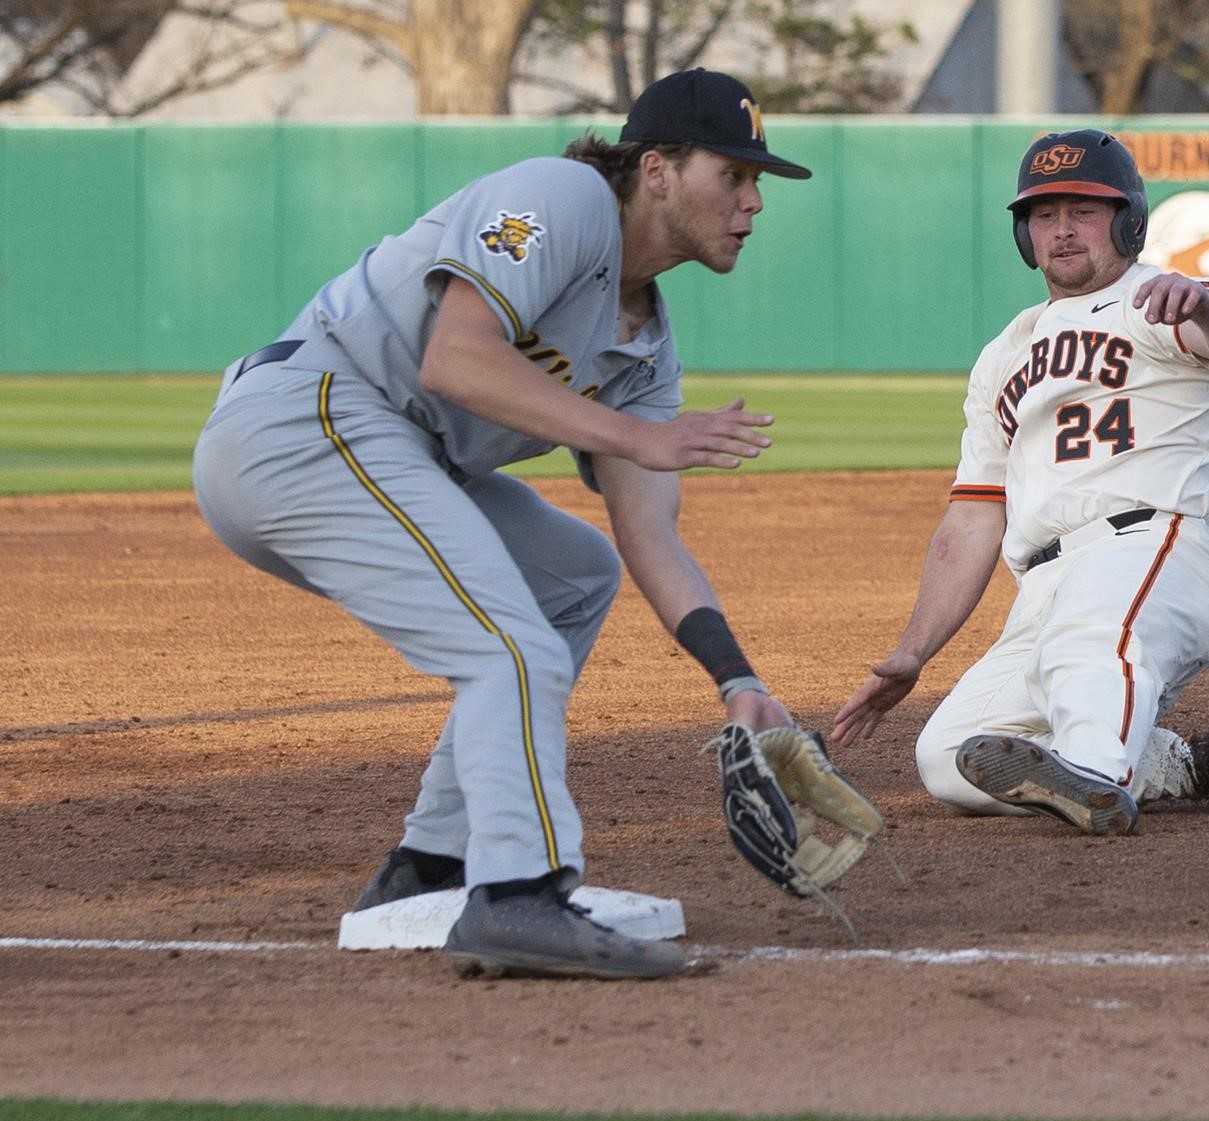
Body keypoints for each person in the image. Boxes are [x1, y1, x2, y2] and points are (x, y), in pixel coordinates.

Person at [192, 69, 810, 979]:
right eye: (736, 174)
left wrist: (737, 681)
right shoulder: (559, 198)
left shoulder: (643, 346)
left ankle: (429, 864)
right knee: (509, 649)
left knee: (576, 575)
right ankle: (520, 890)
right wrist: (640, 437)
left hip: (390, 450)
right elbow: (456, 358)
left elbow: (651, 535)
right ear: (659, 170)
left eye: (759, 184)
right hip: (308, 416)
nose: (754, 202)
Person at [830, 129, 1209, 835]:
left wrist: (1203, 300)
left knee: (1088, 637)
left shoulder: (1156, 302)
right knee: (947, 756)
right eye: (1044, 215)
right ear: (1025, 235)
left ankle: (1098, 777)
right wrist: (913, 650)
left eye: (1083, 210)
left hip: (1151, 551)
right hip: (1042, 591)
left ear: (1127, 221)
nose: (1062, 229)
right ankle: (1188, 762)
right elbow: (971, 519)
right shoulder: (1003, 355)